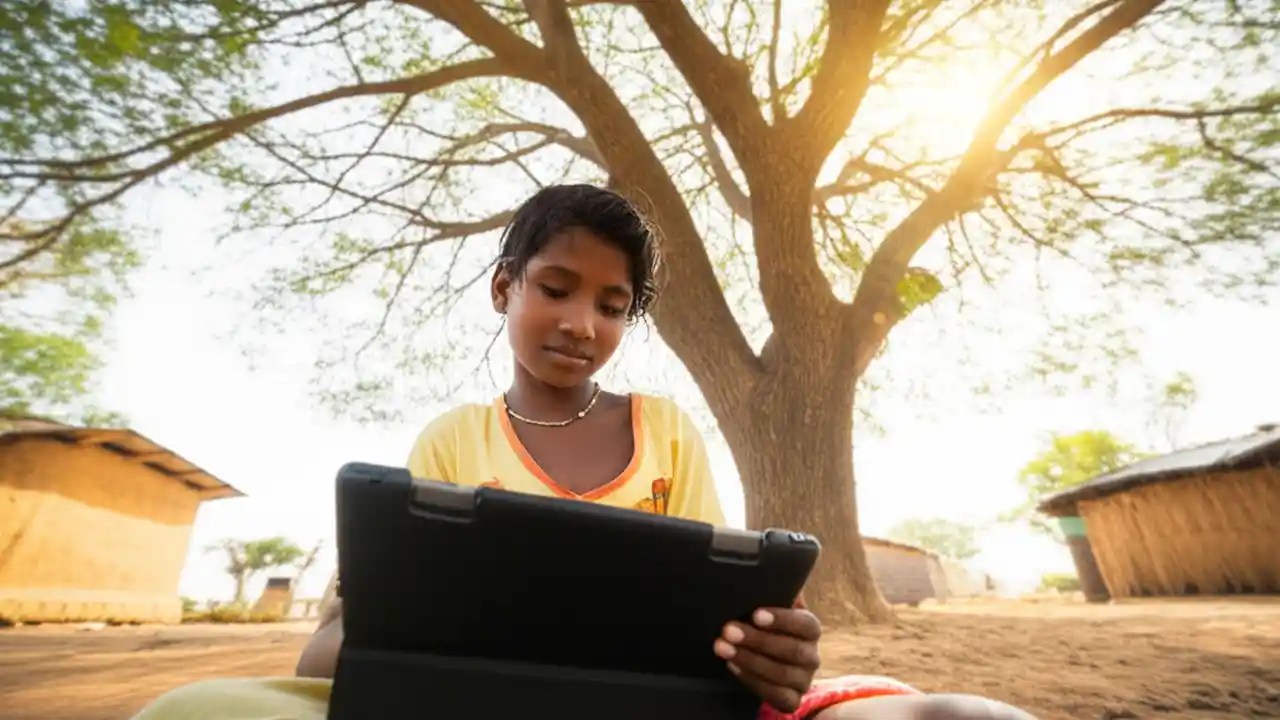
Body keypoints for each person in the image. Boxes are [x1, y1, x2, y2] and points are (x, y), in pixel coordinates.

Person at [132, 185, 1034, 720]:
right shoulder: (452, 441)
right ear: (503, 289)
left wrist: (772, 650)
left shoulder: (668, 431)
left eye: (612, 305)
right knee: (190, 711)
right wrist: (377, 619)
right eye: (556, 288)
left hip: (659, 714)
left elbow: (717, 620)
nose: (581, 323)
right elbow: (330, 651)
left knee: (967, 715)